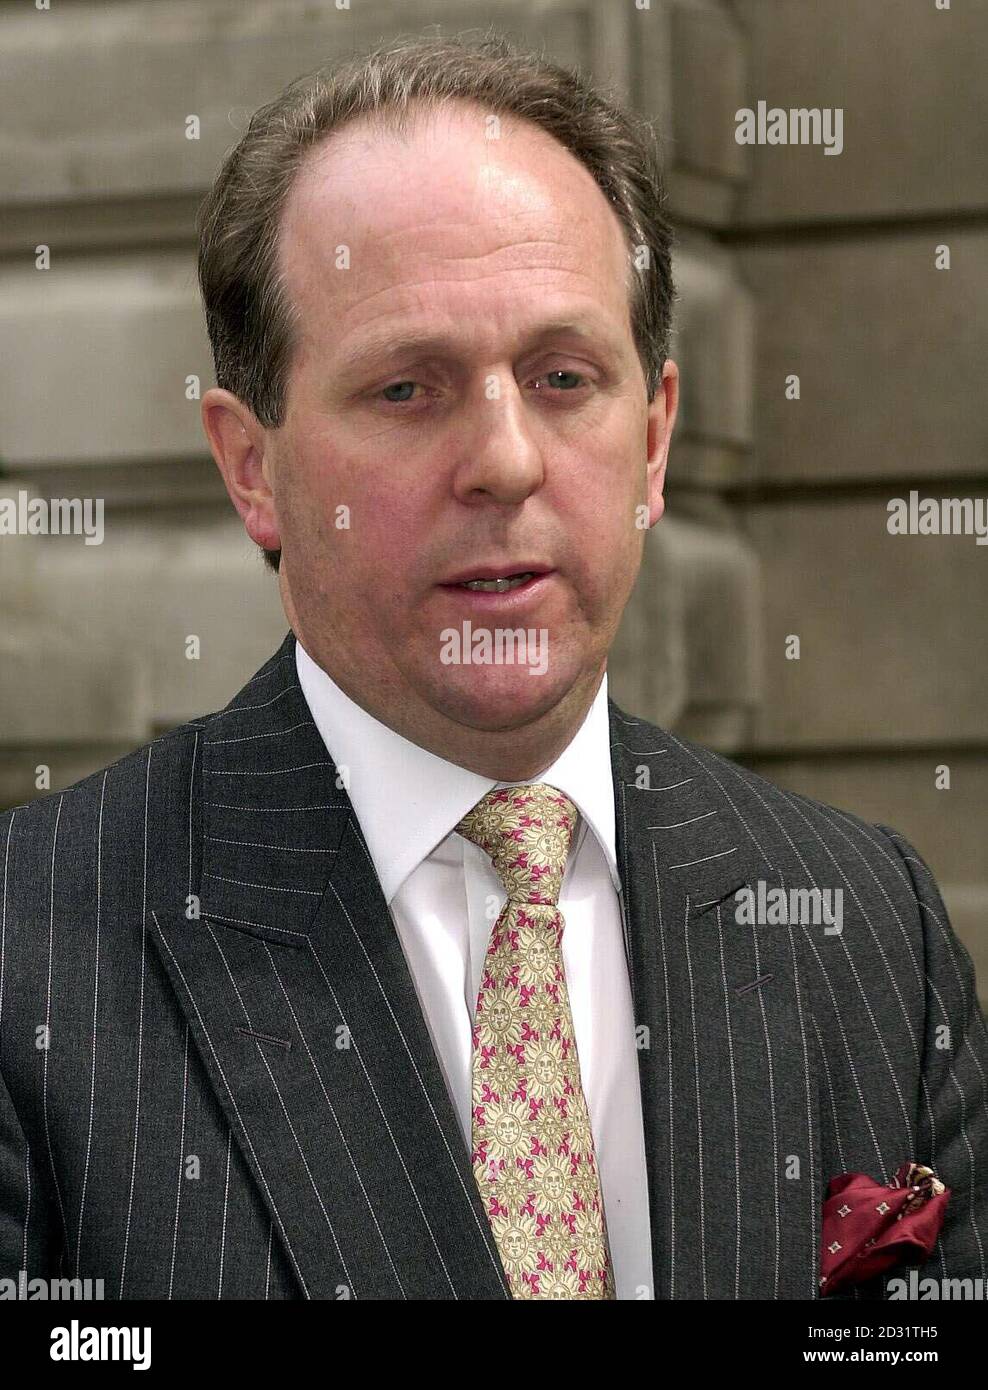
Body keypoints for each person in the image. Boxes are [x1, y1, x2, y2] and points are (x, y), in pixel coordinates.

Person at [1, 32, 985, 1302]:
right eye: (408, 389)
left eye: (564, 377)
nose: (506, 461)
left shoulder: (867, 926)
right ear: (253, 467)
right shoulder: (36, 951)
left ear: (653, 440)